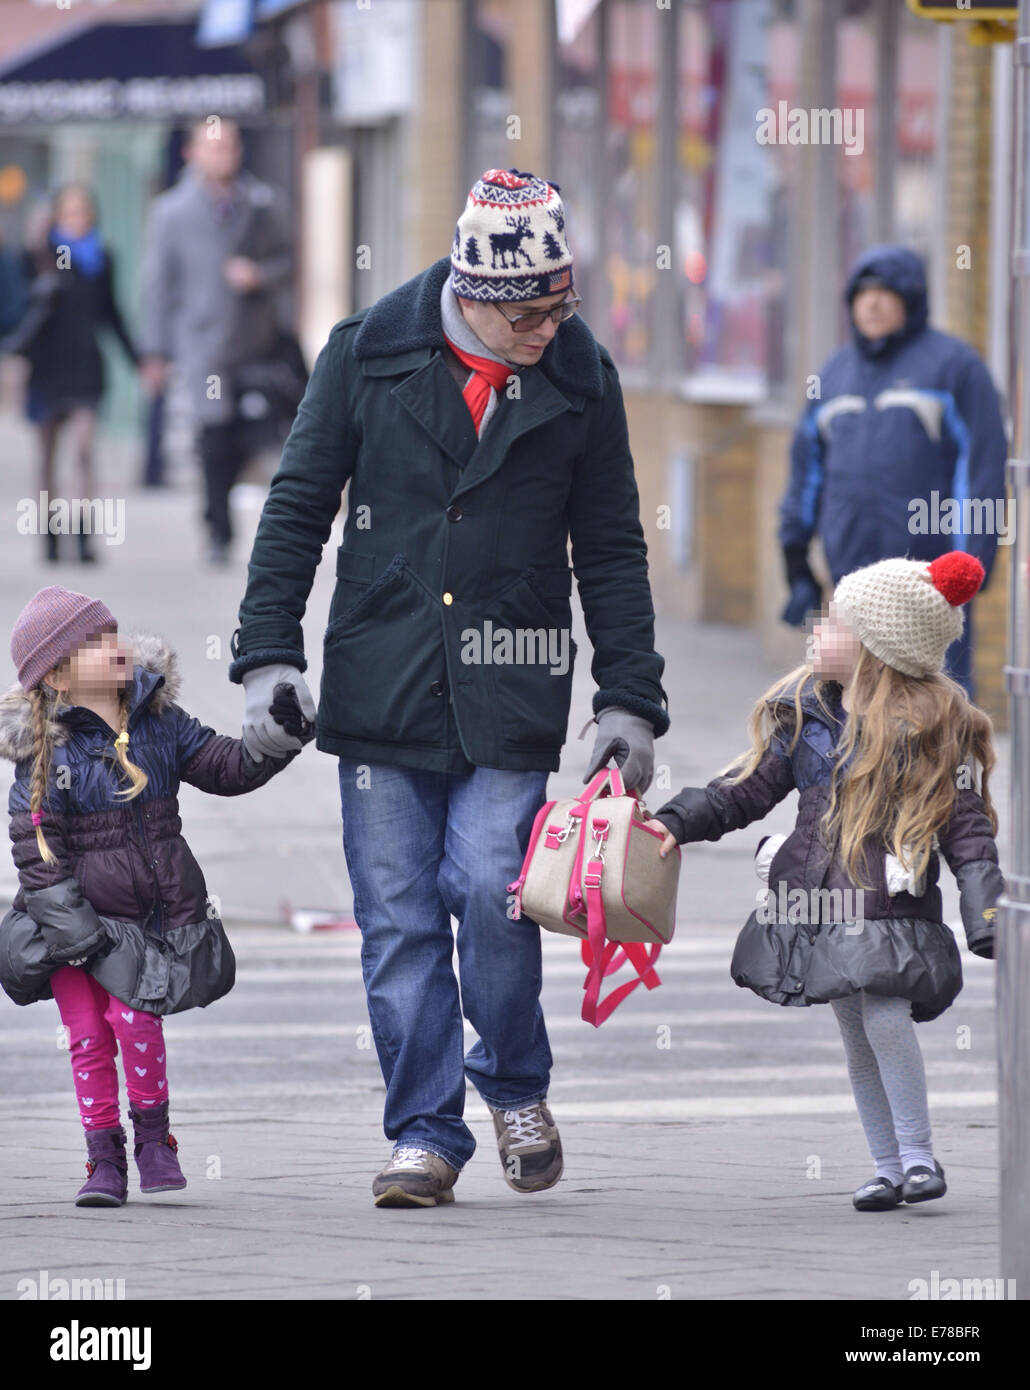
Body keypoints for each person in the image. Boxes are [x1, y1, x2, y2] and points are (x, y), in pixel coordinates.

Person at [227, 167, 670, 1207]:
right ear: (469, 290)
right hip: (384, 679)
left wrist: (627, 700)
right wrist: (267, 658)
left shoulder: (580, 375)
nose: (545, 326)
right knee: (397, 917)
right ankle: (425, 1131)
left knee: (490, 888)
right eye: (527, 310)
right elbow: (296, 507)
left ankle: (515, 1084)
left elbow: (610, 547)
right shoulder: (365, 354)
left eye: (560, 303)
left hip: (512, 684)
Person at [648, 551, 1003, 1211]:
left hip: (892, 905)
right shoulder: (807, 716)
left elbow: (968, 830)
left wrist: (986, 911)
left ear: (877, 649)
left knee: (886, 1017)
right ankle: (887, 1166)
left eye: (836, 622)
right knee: (856, 1032)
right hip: (822, 902)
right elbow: (744, 791)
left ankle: (920, 1157)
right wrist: (676, 820)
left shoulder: (929, 730)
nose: (818, 631)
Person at [0, 586, 312, 1207]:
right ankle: (103, 1160)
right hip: (70, 928)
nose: (112, 648)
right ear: (58, 677)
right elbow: (36, 850)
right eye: (92, 645)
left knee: (137, 1021)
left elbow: (224, 765)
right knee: (88, 1037)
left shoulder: (159, 719)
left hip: (141, 922)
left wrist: (272, 740)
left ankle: (152, 1140)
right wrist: (74, 933)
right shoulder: (49, 750)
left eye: (110, 633)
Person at [779, 244, 1008, 700]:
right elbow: (806, 468)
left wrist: (972, 561)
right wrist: (795, 549)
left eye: (886, 293)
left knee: (939, 705)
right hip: (852, 575)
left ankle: (948, 773)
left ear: (912, 299)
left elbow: (982, 466)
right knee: (851, 703)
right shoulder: (834, 374)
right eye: (862, 294)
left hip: (931, 582)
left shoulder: (955, 368)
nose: (873, 303)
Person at [138, 118, 293, 566]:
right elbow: (157, 286)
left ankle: (228, 512)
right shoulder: (171, 211)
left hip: (254, 343)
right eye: (213, 145)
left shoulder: (263, 203)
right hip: (202, 346)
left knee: (249, 435)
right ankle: (217, 527)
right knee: (213, 435)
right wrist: (155, 351)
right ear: (193, 153)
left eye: (229, 145)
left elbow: (288, 260)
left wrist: (259, 275)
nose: (223, 153)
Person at [1, 185, 140, 566]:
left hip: (85, 364)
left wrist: (138, 359)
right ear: (57, 216)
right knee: (46, 454)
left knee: (82, 449)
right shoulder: (36, 256)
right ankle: (48, 538)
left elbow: (112, 313)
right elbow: (17, 307)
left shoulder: (101, 258)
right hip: (47, 365)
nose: (77, 219)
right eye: (69, 212)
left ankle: (81, 537)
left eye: (82, 212)